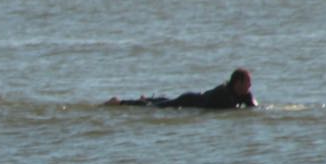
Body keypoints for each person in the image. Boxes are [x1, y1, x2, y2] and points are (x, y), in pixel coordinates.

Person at [105, 68, 258, 109]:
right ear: (237, 83)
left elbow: (254, 108)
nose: (250, 86)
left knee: (165, 101)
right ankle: (120, 102)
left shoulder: (244, 94)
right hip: (189, 101)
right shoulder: (223, 94)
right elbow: (231, 110)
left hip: (193, 99)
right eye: (248, 83)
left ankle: (146, 98)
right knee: (156, 108)